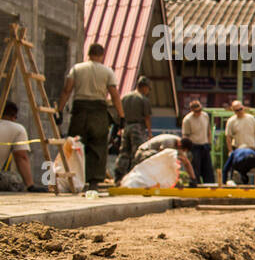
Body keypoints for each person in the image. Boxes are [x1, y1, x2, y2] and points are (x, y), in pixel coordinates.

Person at [56, 43, 123, 188]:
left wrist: (59, 110)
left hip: (80, 110)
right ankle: (93, 182)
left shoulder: (77, 69)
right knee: (98, 146)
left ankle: (74, 179)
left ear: (89, 54)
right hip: (98, 111)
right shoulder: (107, 72)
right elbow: (115, 95)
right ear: (101, 55)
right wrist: (121, 116)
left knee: (76, 144)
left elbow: (66, 90)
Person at [0, 100, 47, 192]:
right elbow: (21, 157)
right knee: (15, 180)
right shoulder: (17, 128)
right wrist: (30, 186)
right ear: (14, 116)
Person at [114, 77, 152, 183]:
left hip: (126, 127)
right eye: (148, 89)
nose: (148, 91)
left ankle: (118, 176)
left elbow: (119, 114)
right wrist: (149, 133)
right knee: (138, 153)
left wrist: (120, 128)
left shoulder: (125, 97)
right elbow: (147, 118)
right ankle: (135, 177)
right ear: (144, 87)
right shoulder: (143, 99)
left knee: (124, 153)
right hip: (138, 128)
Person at [131, 133, 197, 181]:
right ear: (180, 145)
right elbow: (161, 156)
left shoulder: (180, 146)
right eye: (182, 149)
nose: (182, 151)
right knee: (165, 160)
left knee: (172, 159)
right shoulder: (169, 142)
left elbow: (186, 162)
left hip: (152, 155)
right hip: (143, 153)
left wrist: (193, 179)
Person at [181, 100, 215, 183]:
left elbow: (208, 131)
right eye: (197, 111)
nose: (199, 112)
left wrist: (209, 143)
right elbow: (185, 136)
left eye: (200, 110)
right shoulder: (187, 120)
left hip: (205, 145)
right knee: (196, 168)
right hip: (194, 146)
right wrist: (187, 149)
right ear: (192, 110)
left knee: (208, 169)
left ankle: (209, 185)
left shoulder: (205, 116)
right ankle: (196, 184)